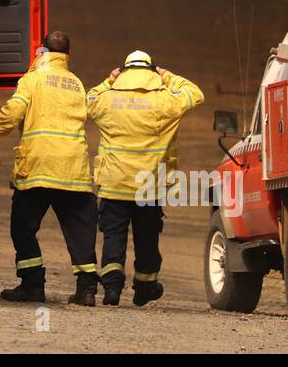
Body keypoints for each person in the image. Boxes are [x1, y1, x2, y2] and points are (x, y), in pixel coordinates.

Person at [0, 31, 99, 306]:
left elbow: (12, 113)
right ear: (66, 55)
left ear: (42, 52)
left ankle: (33, 285)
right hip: (74, 171)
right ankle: (87, 291)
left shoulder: (33, 80)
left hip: (38, 167)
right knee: (81, 232)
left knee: (23, 228)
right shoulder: (76, 83)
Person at [85, 50, 204, 306]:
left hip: (114, 182)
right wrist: (167, 75)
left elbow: (88, 99)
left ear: (124, 71)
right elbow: (195, 93)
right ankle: (145, 287)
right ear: (151, 71)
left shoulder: (108, 97)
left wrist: (109, 80)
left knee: (113, 235)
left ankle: (112, 287)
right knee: (147, 237)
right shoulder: (164, 100)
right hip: (149, 185)